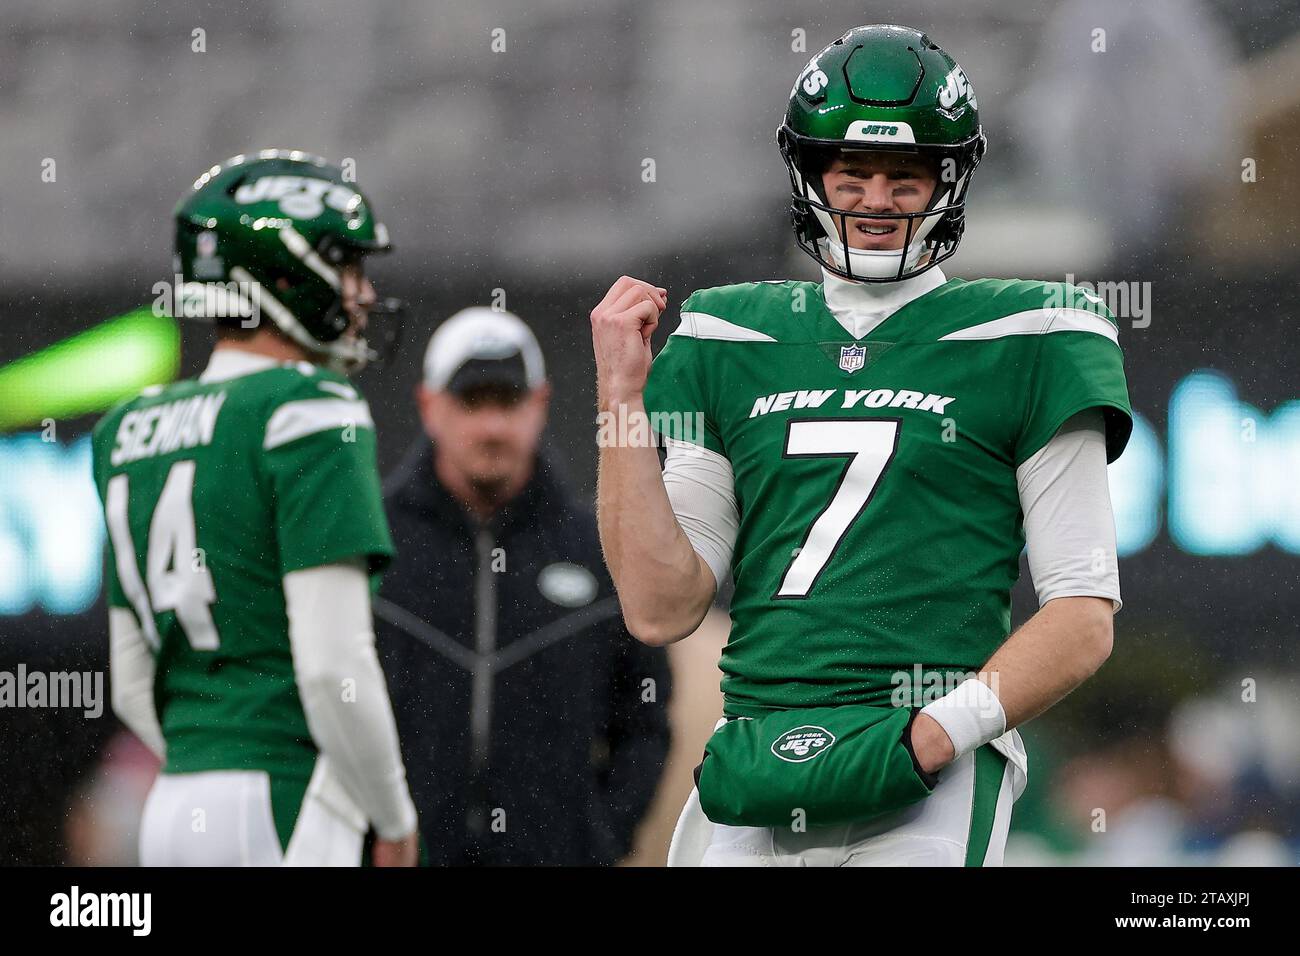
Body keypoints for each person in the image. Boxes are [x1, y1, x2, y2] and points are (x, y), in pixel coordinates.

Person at [591, 24, 1132, 866]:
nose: (875, 199)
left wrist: (936, 732)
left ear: (949, 180)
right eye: (851, 173)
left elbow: (1083, 614)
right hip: (756, 756)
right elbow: (663, 607)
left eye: (905, 176)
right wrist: (621, 400)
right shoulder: (730, 334)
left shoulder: (1035, 333)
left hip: (928, 771)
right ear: (811, 175)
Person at [93, 150, 419, 866]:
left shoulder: (126, 428)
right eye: (347, 265)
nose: (363, 293)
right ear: (283, 272)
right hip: (286, 795)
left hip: (173, 802)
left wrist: (209, 760)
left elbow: (131, 679)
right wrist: (391, 815)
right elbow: (332, 665)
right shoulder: (309, 407)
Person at [375, 307, 672, 865]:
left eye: (507, 402)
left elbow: (646, 721)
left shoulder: (599, 546)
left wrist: (599, 843)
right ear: (428, 407)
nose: (491, 426)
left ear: (540, 404)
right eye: (471, 402)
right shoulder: (375, 546)